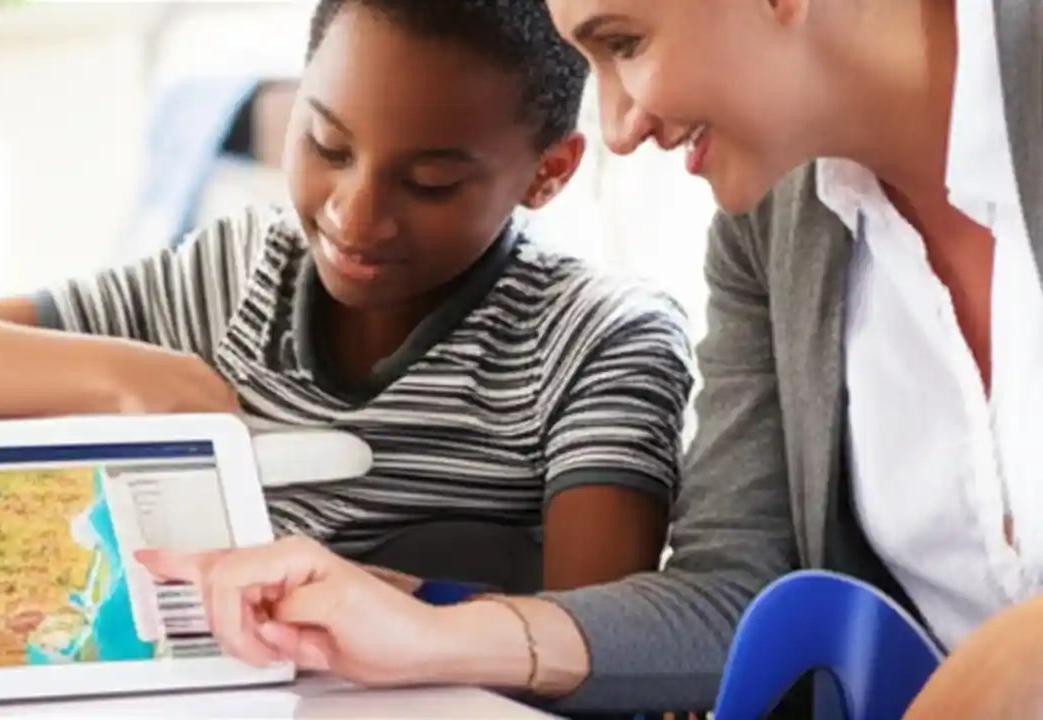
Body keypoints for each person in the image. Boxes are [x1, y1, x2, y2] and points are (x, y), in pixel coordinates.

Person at [135, 0, 1043, 715]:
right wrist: (423, 632)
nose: (617, 127)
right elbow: (731, 598)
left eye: (627, 43)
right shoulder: (768, 228)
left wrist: (1013, 656)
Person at [0, 0, 693, 593]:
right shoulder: (237, 275)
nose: (355, 215)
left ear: (548, 173)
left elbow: (596, 645)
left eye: (427, 183)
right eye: (327, 145)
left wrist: (364, 605)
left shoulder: (601, 342)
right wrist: (126, 378)